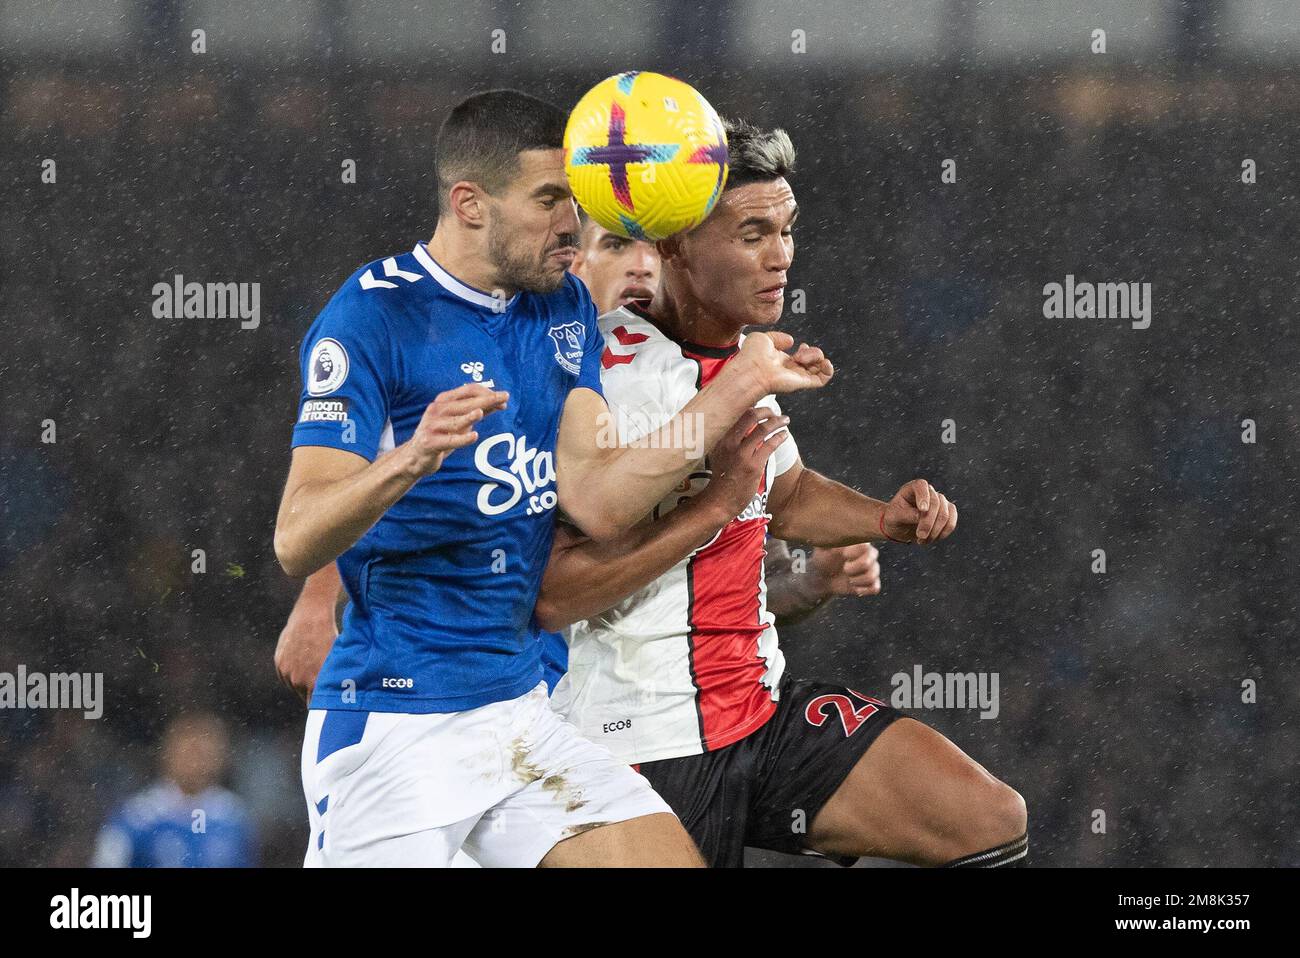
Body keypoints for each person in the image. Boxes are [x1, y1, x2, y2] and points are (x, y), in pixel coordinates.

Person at [274, 90, 832, 867]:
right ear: (470, 204)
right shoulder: (374, 318)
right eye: (547, 200)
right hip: (397, 724)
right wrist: (409, 460)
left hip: (520, 715)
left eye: (574, 199)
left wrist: (739, 385)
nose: (570, 223)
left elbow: (599, 500)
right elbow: (297, 539)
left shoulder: (562, 309)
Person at [536, 118, 1028, 868]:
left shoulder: (742, 355)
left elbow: (785, 489)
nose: (781, 258)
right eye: (753, 233)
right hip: (641, 742)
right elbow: (559, 589)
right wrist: (712, 506)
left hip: (760, 715)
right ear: (676, 247)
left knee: (987, 817)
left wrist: (883, 518)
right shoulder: (605, 376)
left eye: (787, 230)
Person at [92, 714, 257, 867]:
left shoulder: (233, 816)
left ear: (220, 758)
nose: (196, 763)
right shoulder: (137, 816)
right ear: (168, 754)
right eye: (189, 752)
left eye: (203, 753)